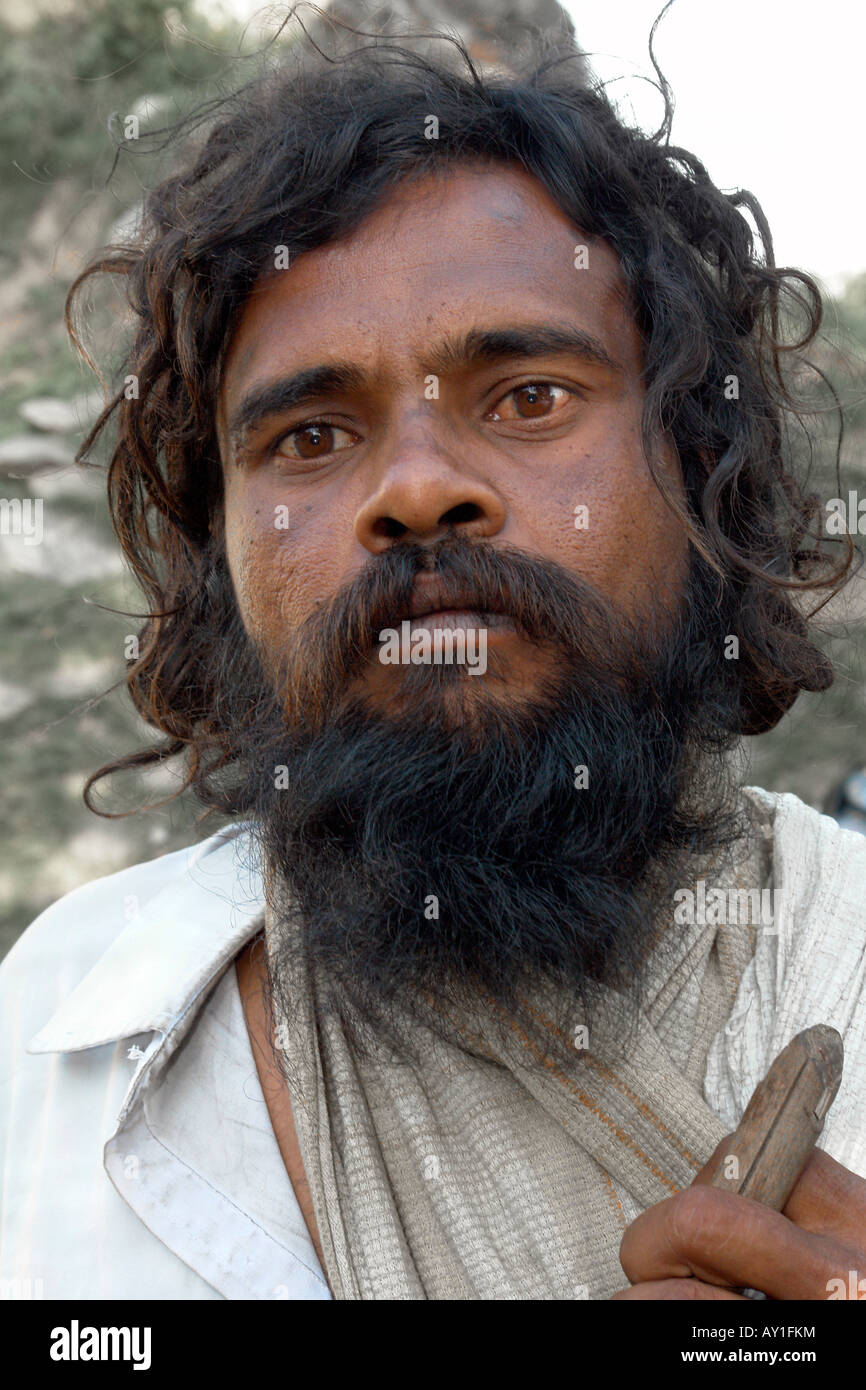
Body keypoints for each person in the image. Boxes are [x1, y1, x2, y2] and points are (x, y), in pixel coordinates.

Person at [2, 33, 865, 1302]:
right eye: (309, 434)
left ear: (697, 466)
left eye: (526, 398)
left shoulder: (838, 943)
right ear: (222, 555)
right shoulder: (52, 1038)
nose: (414, 490)